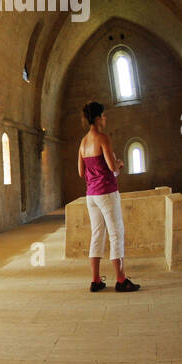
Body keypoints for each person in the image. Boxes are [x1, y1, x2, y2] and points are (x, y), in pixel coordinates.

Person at [78, 101, 139, 292]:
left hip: (91, 196)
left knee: (97, 234)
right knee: (116, 233)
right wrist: (119, 163)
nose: (105, 119)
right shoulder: (102, 138)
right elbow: (112, 167)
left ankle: (95, 280)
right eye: (103, 116)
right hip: (107, 192)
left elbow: (81, 172)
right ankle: (121, 279)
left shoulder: (83, 141)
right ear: (97, 119)